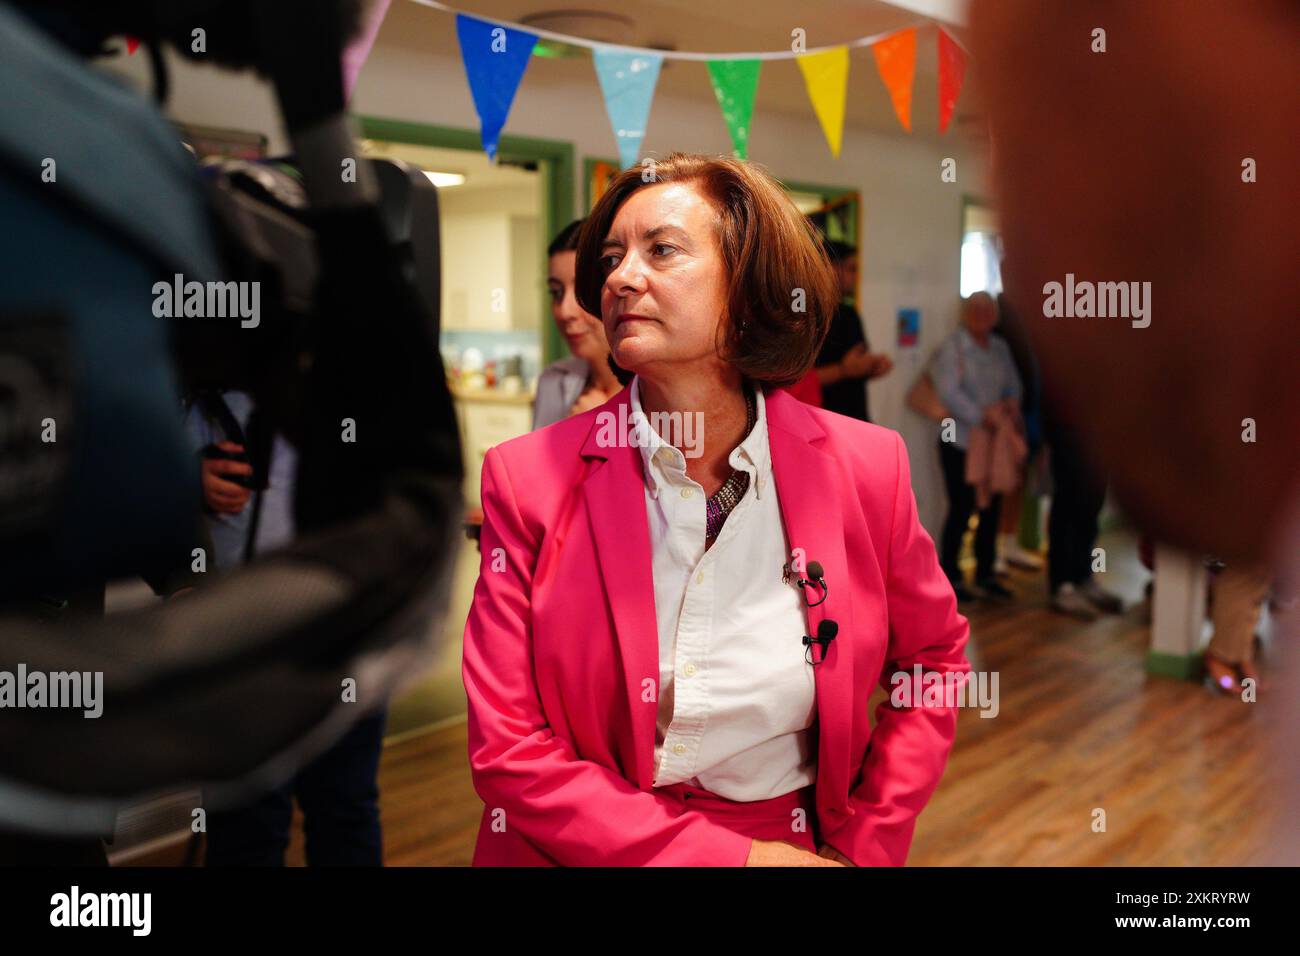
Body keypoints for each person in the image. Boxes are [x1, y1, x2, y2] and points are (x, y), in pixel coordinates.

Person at [462, 152, 970, 867]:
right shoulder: (527, 480)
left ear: (750, 287)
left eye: (661, 249)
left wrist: (869, 845)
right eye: (611, 258)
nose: (619, 278)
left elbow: (933, 661)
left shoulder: (865, 468)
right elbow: (506, 748)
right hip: (576, 851)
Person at [186, 392, 387, 867]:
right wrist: (181, 480)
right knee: (245, 825)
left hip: (347, 631)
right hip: (237, 640)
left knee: (345, 809)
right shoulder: (189, 378)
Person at [932, 292, 1023, 603]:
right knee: (961, 507)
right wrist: (981, 415)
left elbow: (1014, 385)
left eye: (988, 309)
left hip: (994, 445)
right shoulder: (954, 347)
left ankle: (985, 574)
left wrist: (1008, 406)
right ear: (965, 313)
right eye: (976, 309)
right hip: (958, 441)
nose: (982, 314)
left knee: (991, 509)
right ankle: (951, 576)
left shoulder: (999, 348)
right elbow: (949, 392)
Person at [531, 219, 621, 430]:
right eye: (556, 292)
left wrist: (609, 432)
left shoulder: (660, 395)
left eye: (582, 289)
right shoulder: (552, 382)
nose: (565, 312)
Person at [812, 240, 892, 422]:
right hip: (823, 421)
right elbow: (796, 383)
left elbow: (856, 367)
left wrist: (872, 367)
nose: (855, 276)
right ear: (830, 268)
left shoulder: (849, 314)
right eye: (851, 269)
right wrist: (843, 370)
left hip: (855, 418)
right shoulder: (805, 317)